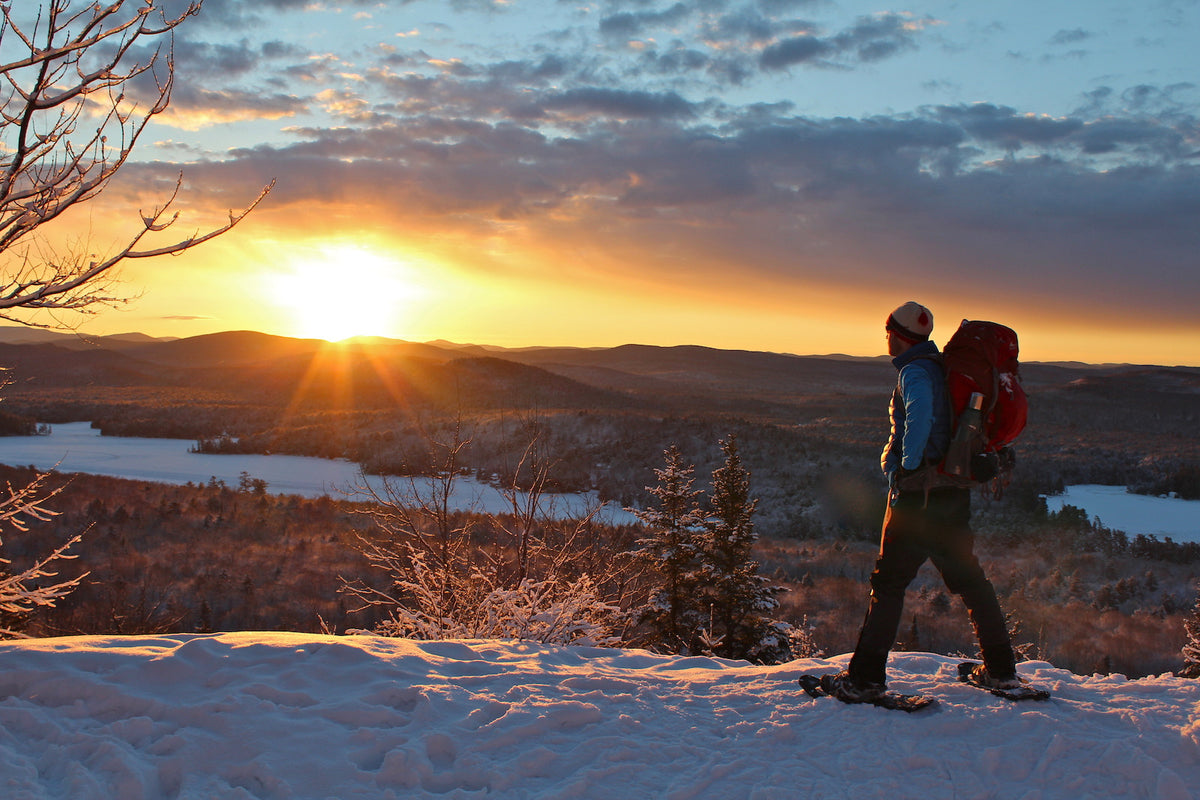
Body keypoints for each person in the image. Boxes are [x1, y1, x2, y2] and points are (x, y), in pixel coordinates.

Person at [820, 301, 1020, 702]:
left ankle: (865, 679)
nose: (887, 338)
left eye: (888, 331)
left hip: (918, 498)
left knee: (889, 584)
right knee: (970, 580)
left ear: (897, 335)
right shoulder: (942, 369)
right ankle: (1000, 670)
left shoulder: (915, 371)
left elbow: (921, 416)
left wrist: (908, 467)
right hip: (952, 494)